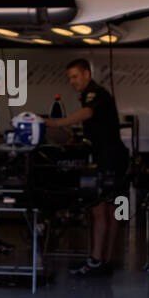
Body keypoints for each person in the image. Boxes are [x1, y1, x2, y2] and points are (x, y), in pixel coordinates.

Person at [44, 58, 129, 276]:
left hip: (107, 159)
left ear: (86, 74)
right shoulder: (92, 95)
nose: (72, 81)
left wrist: (55, 123)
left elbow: (88, 114)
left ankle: (95, 261)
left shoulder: (95, 94)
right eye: (69, 78)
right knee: (113, 211)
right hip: (117, 159)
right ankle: (105, 260)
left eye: (74, 76)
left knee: (98, 209)